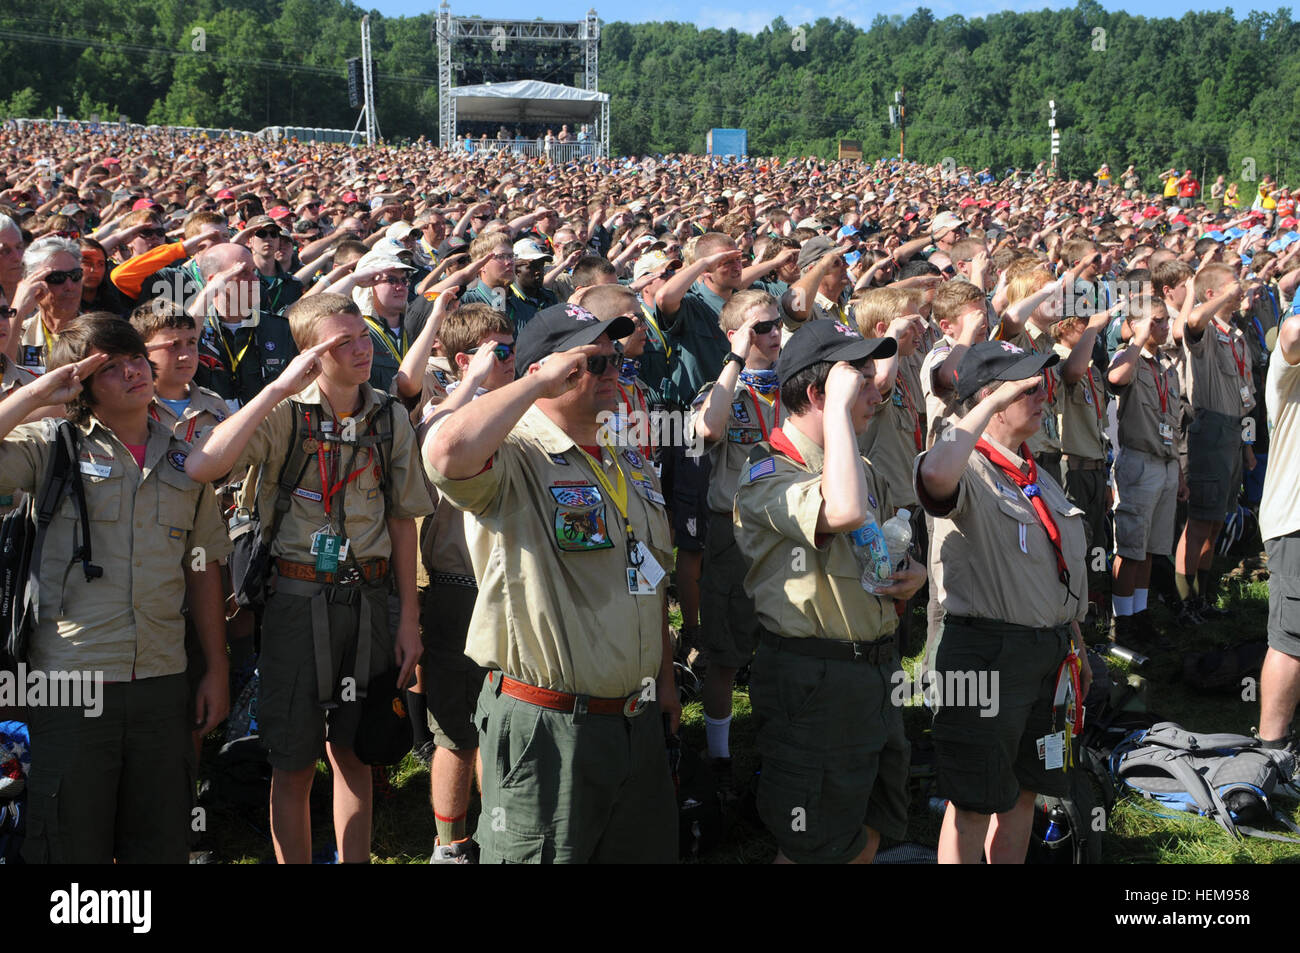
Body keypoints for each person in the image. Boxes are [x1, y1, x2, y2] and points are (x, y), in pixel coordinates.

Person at [422, 302, 679, 863]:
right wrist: (534, 380)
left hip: (633, 721)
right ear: (554, 367)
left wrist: (665, 678)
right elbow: (444, 454)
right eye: (594, 362)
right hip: (549, 724)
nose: (614, 373)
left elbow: (648, 575)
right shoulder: (513, 451)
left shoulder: (624, 457)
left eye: (616, 361)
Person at [185, 292, 432, 864]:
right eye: (340, 342)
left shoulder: (387, 414)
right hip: (297, 599)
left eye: (363, 336)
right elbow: (204, 465)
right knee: (293, 760)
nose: (361, 349)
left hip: (369, 598)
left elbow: (402, 521)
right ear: (308, 354)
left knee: (356, 751)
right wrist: (276, 388)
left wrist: (409, 618)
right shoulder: (283, 413)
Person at [9, 313, 231, 862]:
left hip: (163, 676)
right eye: (110, 368)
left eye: (135, 358)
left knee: (158, 837)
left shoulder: (187, 459)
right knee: (70, 839)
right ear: (81, 384)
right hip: (71, 678)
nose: (133, 371)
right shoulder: (51, 444)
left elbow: (202, 567)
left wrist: (216, 670)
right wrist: (40, 391)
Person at [734, 319, 925, 863]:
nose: (876, 391)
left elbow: (878, 550)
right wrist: (840, 412)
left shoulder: (855, 463)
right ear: (820, 393)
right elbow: (842, 512)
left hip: (874, 669)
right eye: (860, 381)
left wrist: (914, 576)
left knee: (870, 822)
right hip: (814, 679)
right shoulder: (768, 470)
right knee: (810, 842)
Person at [915, 339, 1091, 864]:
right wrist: (985, 405)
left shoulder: (1034, 473)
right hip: (987, 655)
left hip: (1049, 652)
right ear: (991, 396)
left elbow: (1055, 577)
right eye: (1028, 388)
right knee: (973, 802)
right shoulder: (965, 463)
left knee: (1026, 792)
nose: (1043, 397)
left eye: (1043, 387)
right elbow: (933, 476)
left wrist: (1076, 648)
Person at [415, 304, 516, 863]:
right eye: (499, 351)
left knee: (510, 718)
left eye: (511, 348)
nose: (513, 360)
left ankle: (503, 830)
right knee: (457, 729)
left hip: (515, 581)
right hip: (459, 586)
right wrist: (474, 381)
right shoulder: (441, 409)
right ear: (465, 359)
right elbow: (436, 437)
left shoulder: (521, 401)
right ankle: (449, 844)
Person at [690, 289, 783, 787]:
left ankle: (779, 742)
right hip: (736, 530)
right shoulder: (724, 388)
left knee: (782, 643)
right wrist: (735, 359)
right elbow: (706, 430)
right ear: (735, 335)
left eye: (775, 325)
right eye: (760, 328)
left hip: (790, 530)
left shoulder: (794, 385)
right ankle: (720, 756)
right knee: (725, 650)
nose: (773, 334)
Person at [1106, 297, 1184, 649]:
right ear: (1139, 324)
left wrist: (1179, 470)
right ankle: (1121, 624)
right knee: (1130, 547)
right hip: (1139, 462)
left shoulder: (1166, 365)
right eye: (1157, 321)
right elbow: (1115, 377)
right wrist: (1137, 338)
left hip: (1165, 462)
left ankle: (1139, 615)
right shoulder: (1131, 358)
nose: (1165, 327)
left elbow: (1174, 421)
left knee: (1151, 548)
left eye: (1166, 320)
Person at [1257, 304, 1300, 757]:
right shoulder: (1289, 367)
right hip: (1296, 522)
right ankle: (1272, 748)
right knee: (1292, 639)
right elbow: (1291, 333)